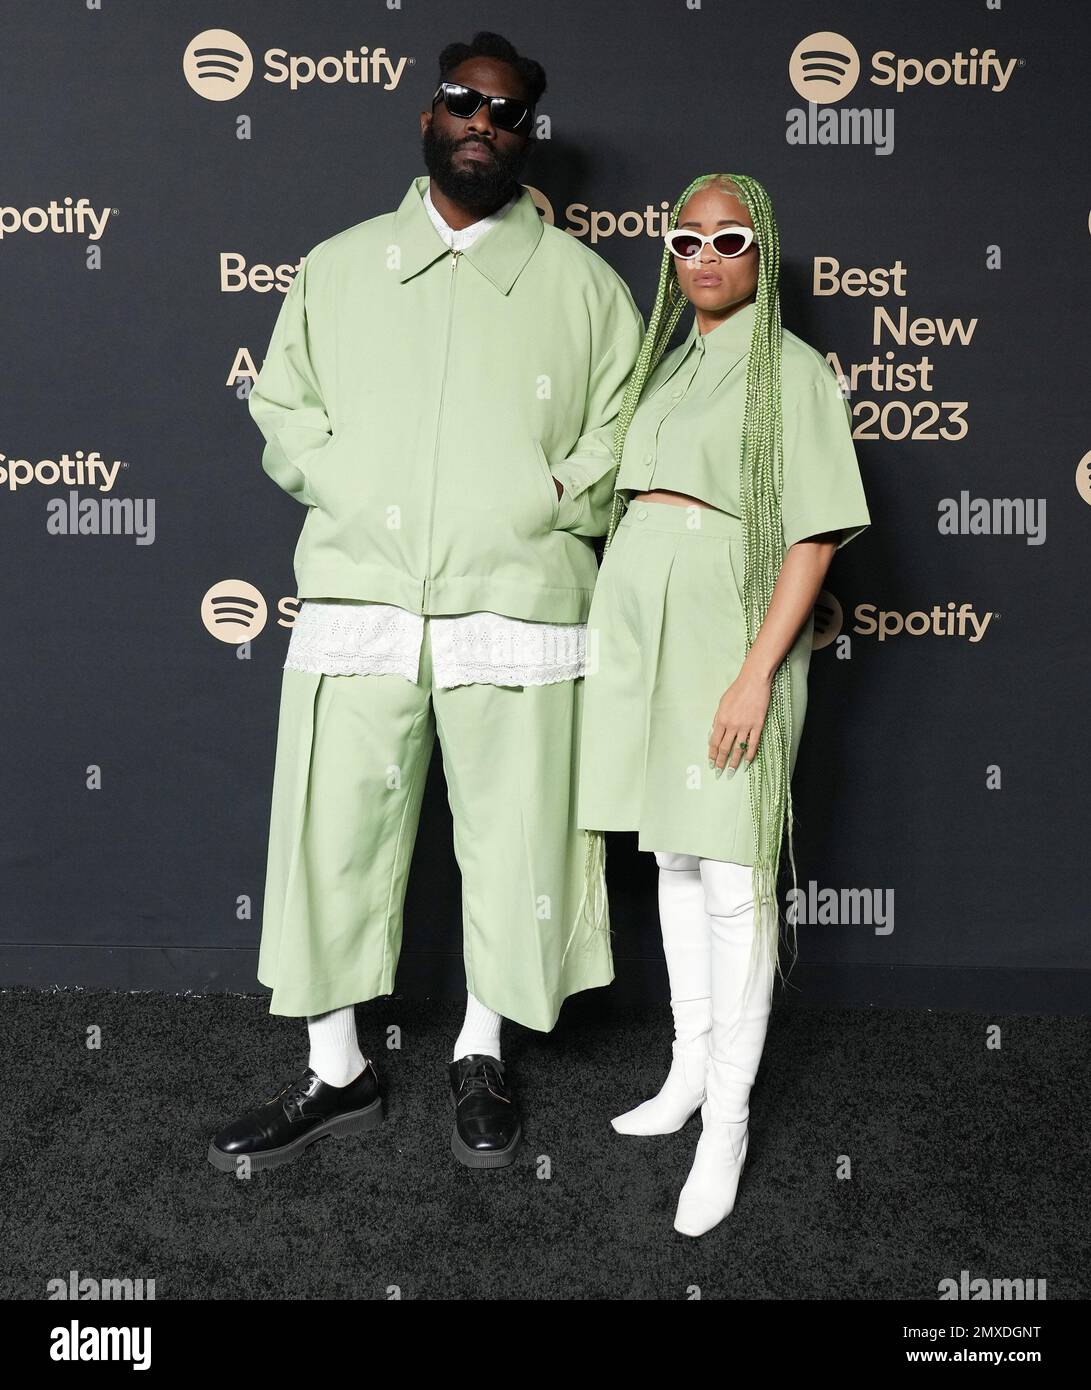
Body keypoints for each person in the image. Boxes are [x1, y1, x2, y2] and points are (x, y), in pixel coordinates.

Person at [208, 31, 644, 1174]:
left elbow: (617, 431)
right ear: (426, 116)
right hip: (363, 595)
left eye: (506, 116)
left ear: (522, 136)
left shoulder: (584, 286)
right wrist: (356, 490)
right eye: (465, 104)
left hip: (516, 599)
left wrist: (543, 499)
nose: (483, 127)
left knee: (514, 838)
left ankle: (482, 1047)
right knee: (332, 832)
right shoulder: (339, 266)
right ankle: (335, 1070)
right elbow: (285, 409)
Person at [577, 172, 871, 1235]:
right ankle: (685, 1073)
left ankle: (727, 1125)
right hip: (644, 639)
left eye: (729, 238)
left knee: (736, 877)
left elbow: (810, 532)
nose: (704, 256)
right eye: (685, 240)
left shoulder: (786, 371)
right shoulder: (669, 362)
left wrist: (753, 672)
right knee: (674, 857)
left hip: (724, 639)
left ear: (764, 251)